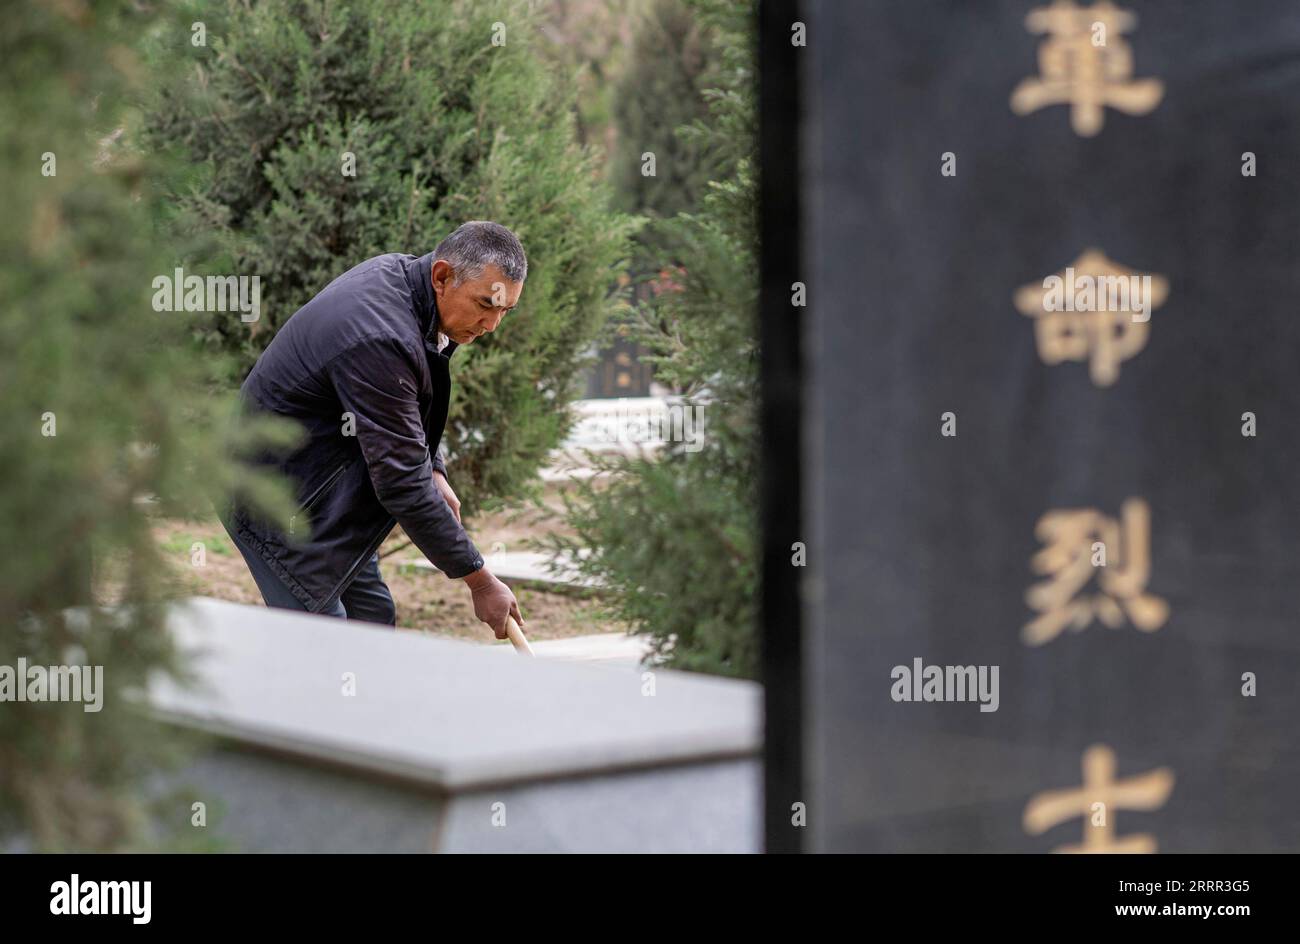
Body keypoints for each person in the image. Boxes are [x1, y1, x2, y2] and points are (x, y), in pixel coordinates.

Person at [221, 221, 525, 639]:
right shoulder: (379, 334)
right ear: (442, 277)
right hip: (274, 497)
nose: (492, 325)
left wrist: (433, 467)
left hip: (325, 492)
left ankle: (365, 701)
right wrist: (479, 580)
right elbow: (401, 482)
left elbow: (409, 399)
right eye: (485, 306)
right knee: (327, 644)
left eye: (505, 311)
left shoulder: (415, 294)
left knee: (374, 626)